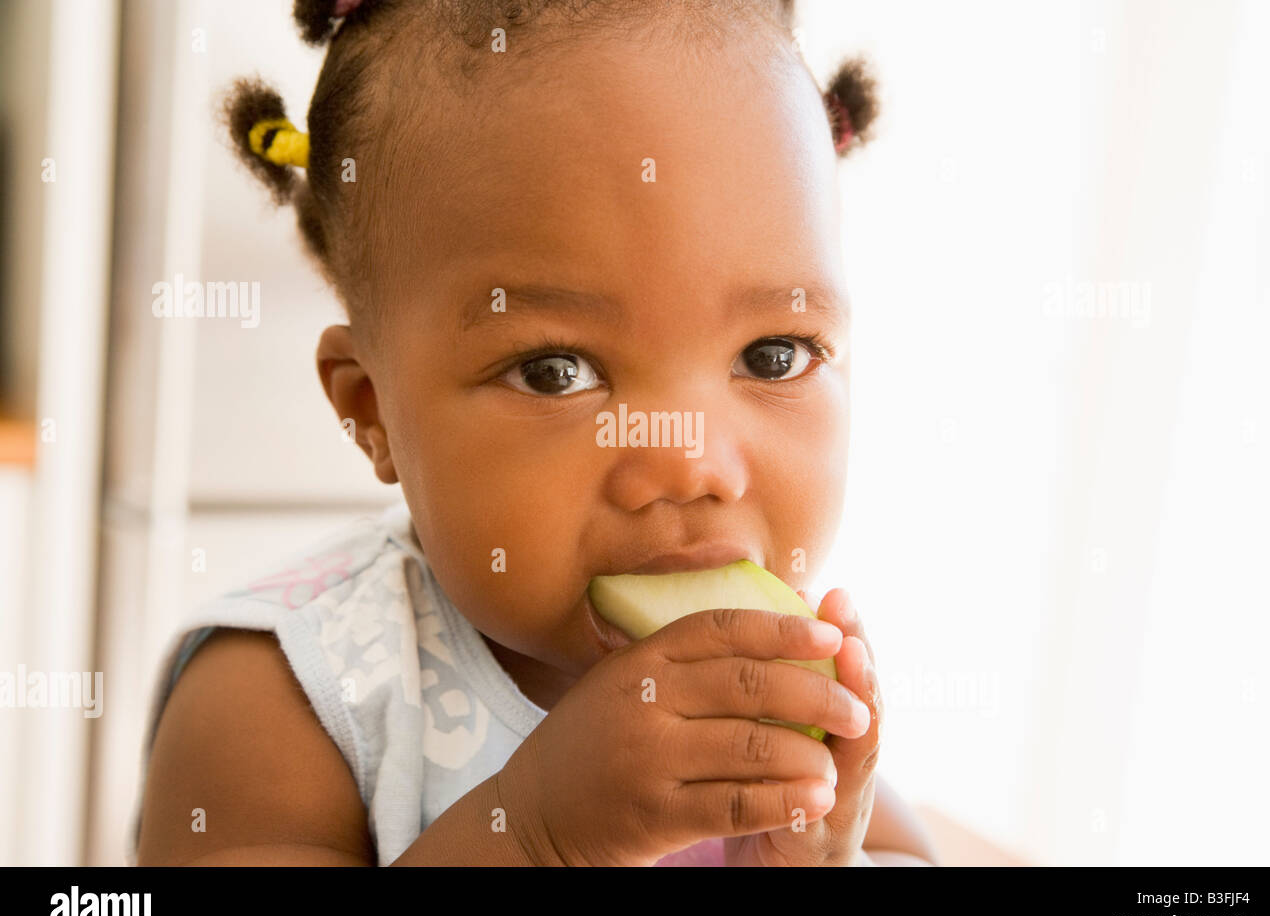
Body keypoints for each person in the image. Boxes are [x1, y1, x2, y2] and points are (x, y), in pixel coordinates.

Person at [131, 0, 938, 867]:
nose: (688, 461)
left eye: (774, 355)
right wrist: (535, 837)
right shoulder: (290, 697)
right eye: (556, 371)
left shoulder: (763, 699)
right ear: (372, 412)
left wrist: (825, 857)